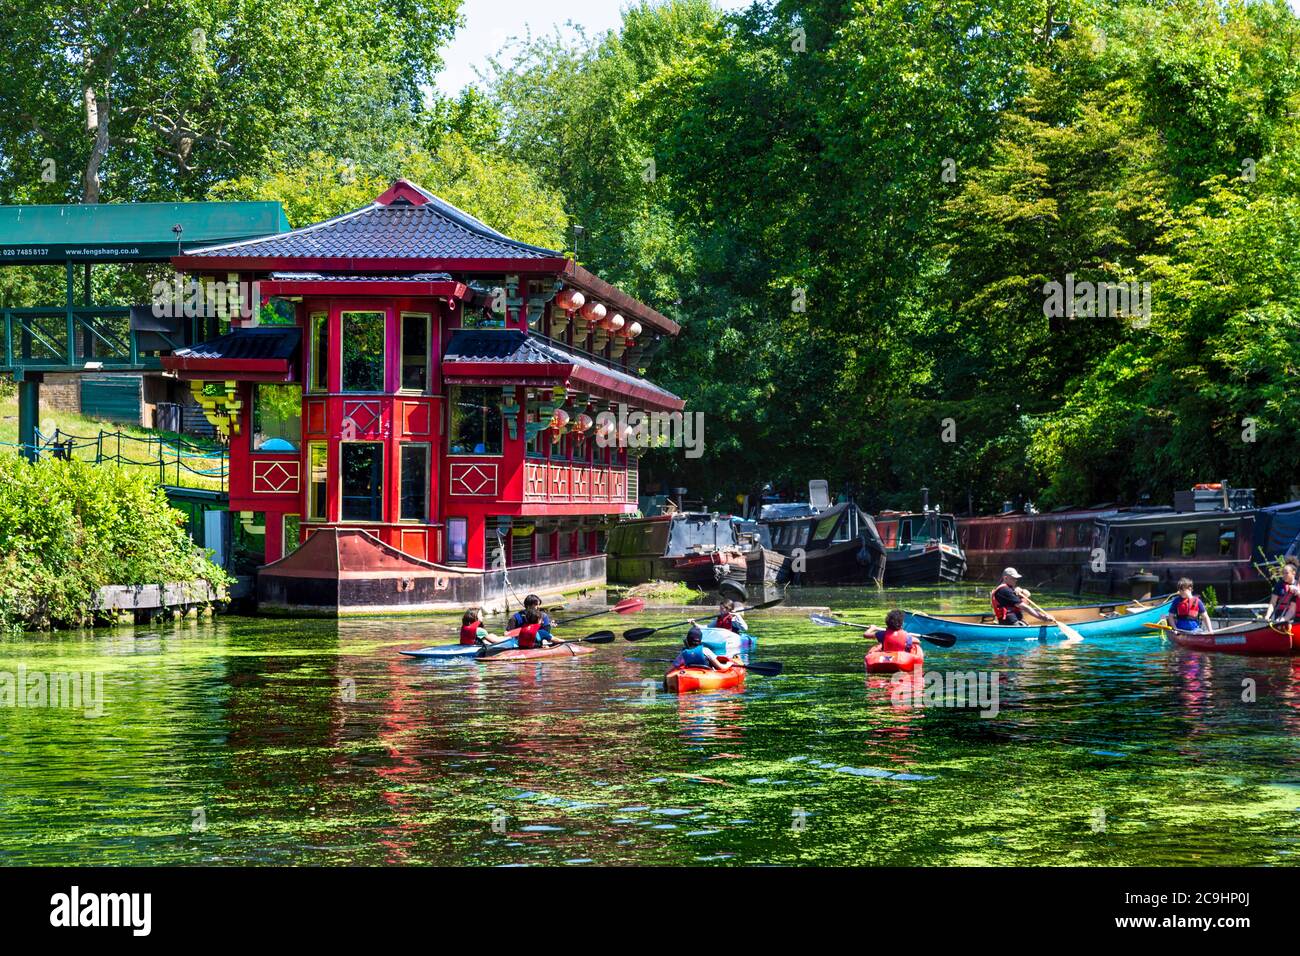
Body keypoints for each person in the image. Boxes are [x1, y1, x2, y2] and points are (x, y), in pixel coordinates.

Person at [990, 568, 1054, 626]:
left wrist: (1022, 591)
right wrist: (1043, 617)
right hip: (1011, 623)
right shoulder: (1004, 590)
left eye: (1016, 578)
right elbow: (1024, 607)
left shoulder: (1009, 588)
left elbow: (1027, 595)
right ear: (1005, 578)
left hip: (1015, 621)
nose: (1015, 580)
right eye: (1013, 578)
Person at [671, 623, 735, 672]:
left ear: (687, 640)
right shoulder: (706, 651)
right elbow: (721, 667)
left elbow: (670, 668)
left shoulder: (683, 653)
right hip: (706, 674)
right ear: (700, 640)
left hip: (691, 673)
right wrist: (729, 664)